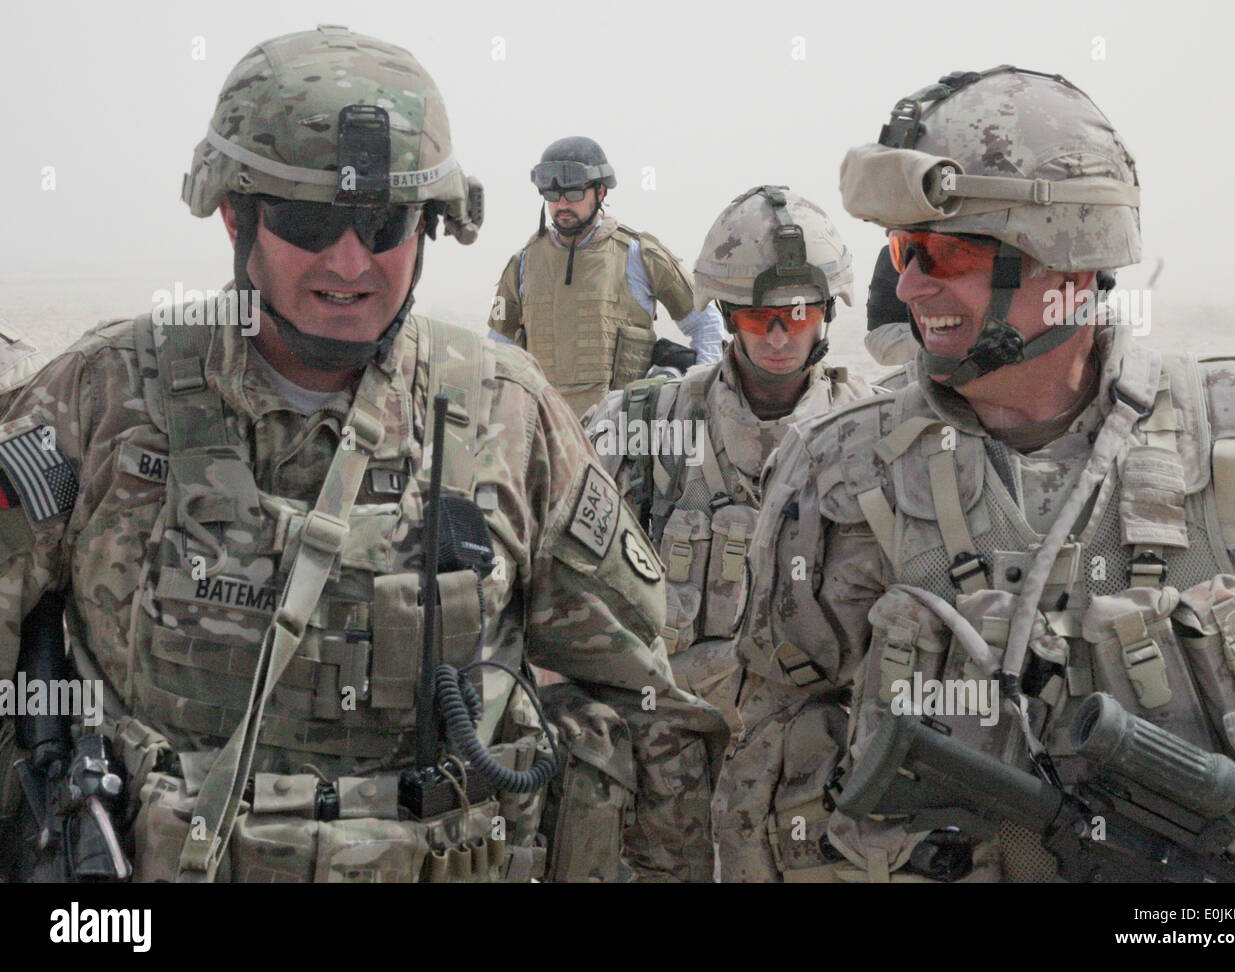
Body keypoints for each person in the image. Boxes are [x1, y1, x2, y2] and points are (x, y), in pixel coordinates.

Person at [0, 25, 724, 884]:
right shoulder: (101, 398)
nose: (351, 261)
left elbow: (643, 707)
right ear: (237, 215)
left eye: (385, 223)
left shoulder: (508, 414)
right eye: (311, 220)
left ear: (428, 226)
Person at [713, 66, 1235, 882]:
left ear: (1068, 255)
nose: (911, 284)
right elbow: (778, 742)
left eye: (948, 252)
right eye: (901, 249)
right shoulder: (836, 470)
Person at [583, 186, 874, 733]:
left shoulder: (874, 437)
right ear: (728, 315)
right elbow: (565, 587)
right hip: (666, 752)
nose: (781, 336)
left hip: (814, 766)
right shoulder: (641, 425)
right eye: (760, 318)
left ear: (828, 311)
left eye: (799, 312)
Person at [487, 136, 725, 416]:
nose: (562, 204)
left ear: (600, 192)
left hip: (620, 431)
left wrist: (696, 397)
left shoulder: (639, 255)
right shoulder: (523, 263)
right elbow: (496, 348)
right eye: (552, 195)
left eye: (573, 194)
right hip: (546, 432)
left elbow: (706, 323)